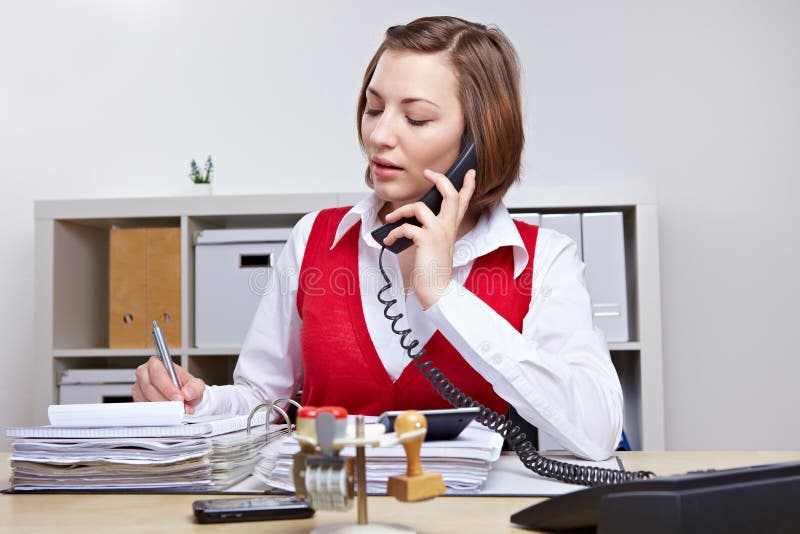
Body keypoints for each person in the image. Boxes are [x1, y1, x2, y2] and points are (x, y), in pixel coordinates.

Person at [132, 16, 623, 461]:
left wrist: (445, 297)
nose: (379, 136)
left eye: (416, 118)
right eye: (373, 108)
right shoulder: (316, 238)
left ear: (479, 139)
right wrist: (197, 402)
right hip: (331, 508)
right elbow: (263, 402)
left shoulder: (542, 259)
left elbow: (598, 432)